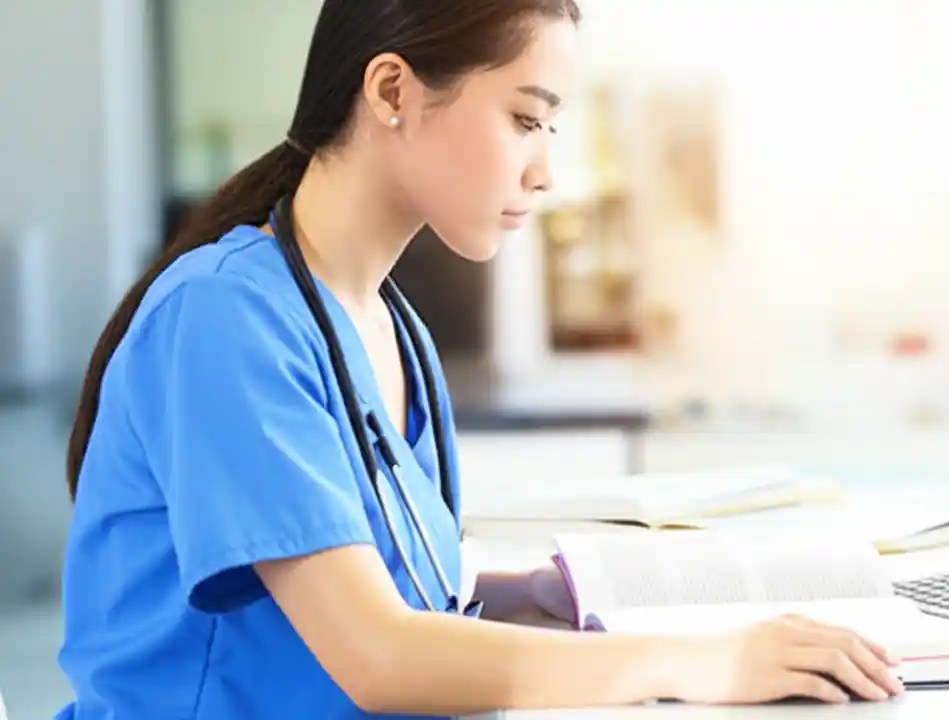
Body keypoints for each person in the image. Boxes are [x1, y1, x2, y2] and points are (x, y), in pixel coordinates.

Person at [55, 1, 904, 717]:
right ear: (392, 90)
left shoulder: (391, 332)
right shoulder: (225, 318)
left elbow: (380, 586)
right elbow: (376, 655)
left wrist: (522, 592)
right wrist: (699, 664)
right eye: (525, 119)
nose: (546, 174)